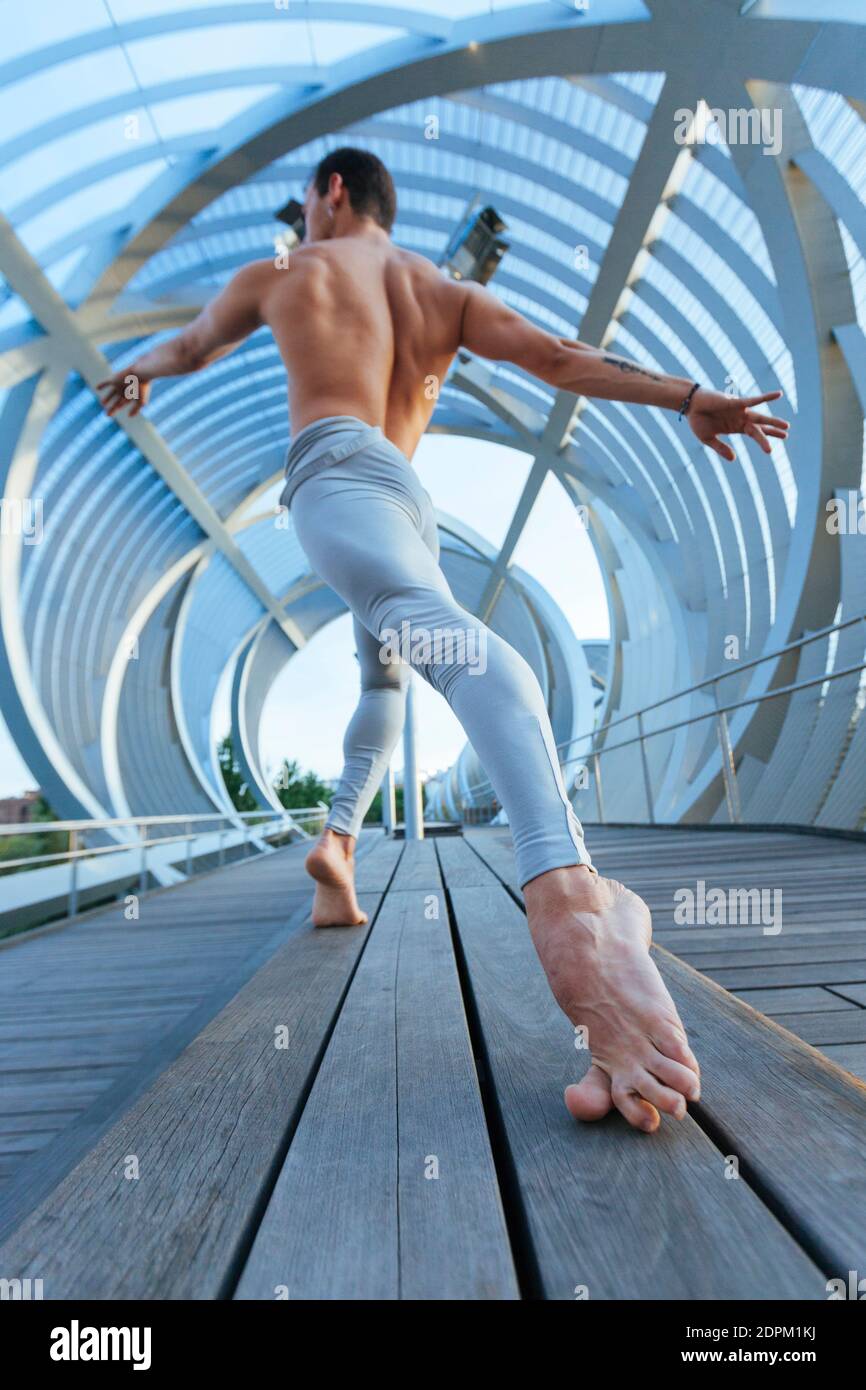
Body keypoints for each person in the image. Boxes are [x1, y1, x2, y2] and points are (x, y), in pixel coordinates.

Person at [99, 147, 790, 1133]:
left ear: (331, 193)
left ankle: (572, 903)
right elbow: (557, 357)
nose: (303, 212)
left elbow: (194, 344)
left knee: (443, 642)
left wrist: (136, 370)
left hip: (335, 476)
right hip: (404, 495)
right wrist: (685, 396)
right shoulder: (442, 290)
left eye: (308, 198)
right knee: (385, 678)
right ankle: (340, 846)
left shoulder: (288, 270)